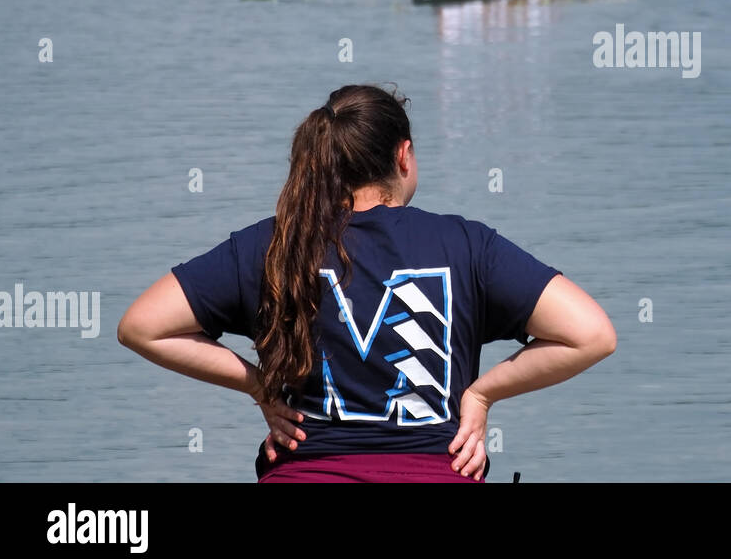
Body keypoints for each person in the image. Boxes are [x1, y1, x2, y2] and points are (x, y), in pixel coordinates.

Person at [118, 84, 616, 482]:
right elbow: (591, 335)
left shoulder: (271, 246)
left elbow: (142, 327)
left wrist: (259, 389)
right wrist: (482, 396)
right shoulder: (466, 245)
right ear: (404, 156)